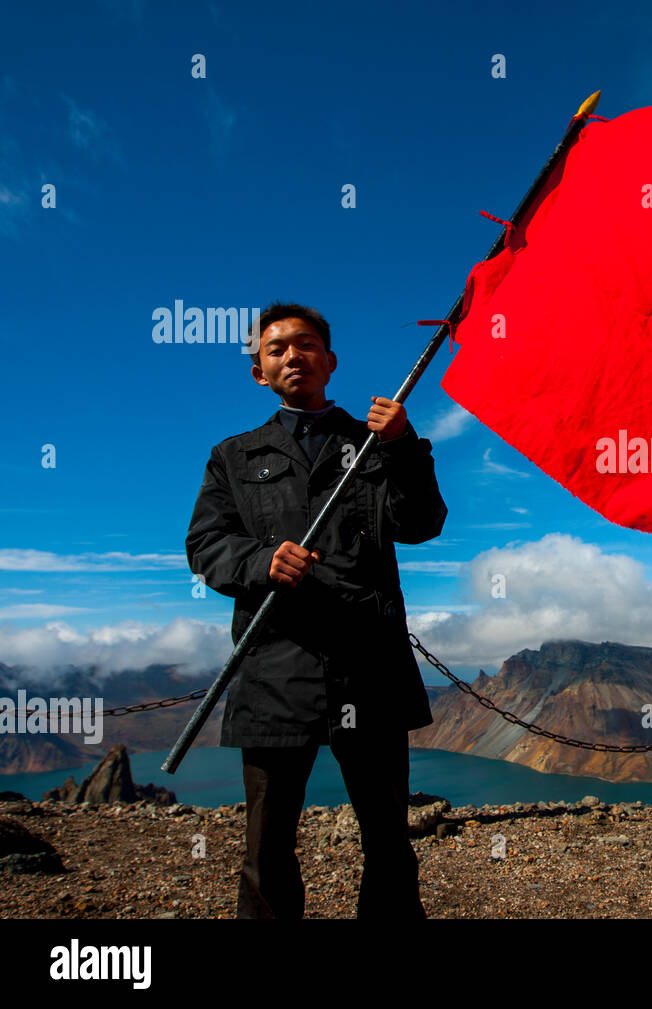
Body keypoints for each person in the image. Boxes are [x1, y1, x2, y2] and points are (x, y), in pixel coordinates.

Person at [185, 301, 447, 918]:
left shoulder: (378, 444)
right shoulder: (233, 457)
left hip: (370, 664)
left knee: (388, 838)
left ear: (330, 361)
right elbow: (205, 544)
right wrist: (258, 562)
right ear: (259, 373)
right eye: (275, 349)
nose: (291, 356)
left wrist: (405, 446)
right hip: (276, 664)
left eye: (304, 345)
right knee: (268, 844)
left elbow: (422, 524)